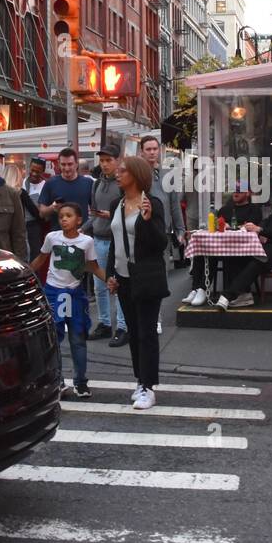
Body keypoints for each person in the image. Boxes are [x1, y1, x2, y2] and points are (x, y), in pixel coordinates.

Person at [105, 156, 170, 410]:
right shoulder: (116, 204)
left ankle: (148, 386)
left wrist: (146, 219)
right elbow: (115, 242)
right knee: (133, 332)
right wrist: (110, 273)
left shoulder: (152, 203)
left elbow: (160, 243)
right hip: (123, 277)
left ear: (136, 175)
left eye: (123, 171)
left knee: (146, 332)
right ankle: (139, 380)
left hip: (146, 276)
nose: (117, 174)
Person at [32, 203, 106, 400]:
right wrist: (25, 274)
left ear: (79, 220)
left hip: (75, 293)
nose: (64, 219)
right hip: (53, 292)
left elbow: (93, 266)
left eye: (69, 216)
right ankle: (58, 380)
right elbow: (41, 258)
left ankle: (80, 381)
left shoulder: (87, 241)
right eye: (61, 216)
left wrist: (110, 280)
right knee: (54, 339)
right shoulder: (52, 238)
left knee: (77, 339)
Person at [215, 177, 272, 310]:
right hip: (270, 244)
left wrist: (262, 231)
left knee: (259, 259)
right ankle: (244, 294)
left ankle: (228, 295)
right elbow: (265, 222)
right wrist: (260, 231)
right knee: (239, 254)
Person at [183, 181, 265, 306]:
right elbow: (216, 226)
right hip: (221, 247)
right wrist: (219, 225)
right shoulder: (225, 209)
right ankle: (198, 289)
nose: (236, 193)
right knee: (202, 252)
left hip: (243, 250)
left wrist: (232, 227)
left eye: (240, 190)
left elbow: (251, 227)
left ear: (248, 193)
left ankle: (214, 291)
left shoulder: (254, 210)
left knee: (226, 256)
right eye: (235, 190)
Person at [141, 135, 185, 336]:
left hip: (163, 233)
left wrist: (180, 230)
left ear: (159, 150)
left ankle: (156, 318)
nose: (151, 152)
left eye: (154, 149)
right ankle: (144, 317)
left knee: (161, 278)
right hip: (140, 232)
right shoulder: (138, 173)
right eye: (148, 149)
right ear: (142, 151)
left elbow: (174, 204)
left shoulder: (168, 174)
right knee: (142, 276)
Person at [86, 145, 127, 347]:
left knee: (117, 284)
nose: (104, 164)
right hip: (98, 237)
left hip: (117, 240)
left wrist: (111, 215)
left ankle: (122, 326)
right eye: (102, 161)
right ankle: (104, 323)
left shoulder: (122, 183)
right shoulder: (96, 184)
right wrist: (83, 228)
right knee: (99, 286)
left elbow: (130, 210)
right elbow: (93, 213)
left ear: (117, 160)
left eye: (108, 160)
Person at [38, 147, 95, 231]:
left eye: (70, 164)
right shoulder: (51, 183)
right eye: (63, 164)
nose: (67, 168)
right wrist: (52, 208)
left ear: (76, 164)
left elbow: (95, 211)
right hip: (58, 235)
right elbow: (42, 213)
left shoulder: (88, 183)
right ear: (58, 164)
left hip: (82, 235)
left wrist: (85, 228)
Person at [21, 156, 49, 263]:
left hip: (35, 226)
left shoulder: (46, 186)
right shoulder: (22, 182)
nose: (34, 174)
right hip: (21, 224)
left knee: (34, 254)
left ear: (43, 171)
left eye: (38, 171)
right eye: (32, 170)